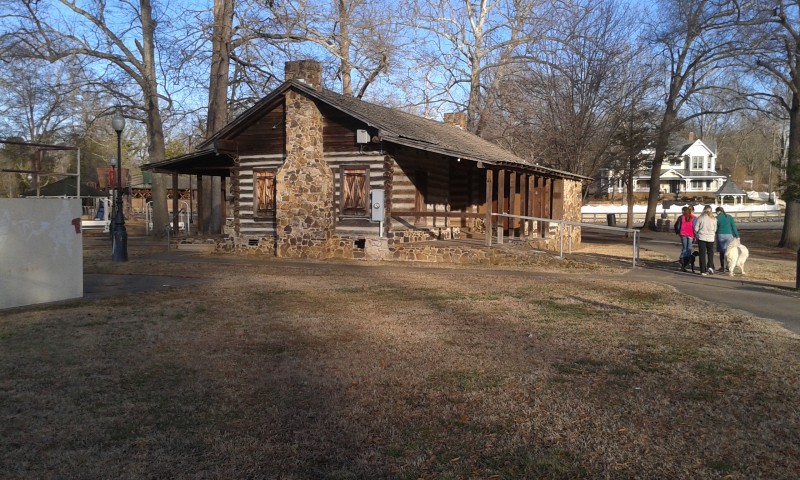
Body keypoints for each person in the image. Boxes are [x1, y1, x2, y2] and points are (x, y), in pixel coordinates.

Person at [694, 205, 717, 275]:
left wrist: (697, 234)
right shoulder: (714, 219)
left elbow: (696, 229)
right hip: (711, 238)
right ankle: (710, 266)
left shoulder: (700, 218)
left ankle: (703, 270)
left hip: (702, 237)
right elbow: (715, 229)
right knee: (710, 253)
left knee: (702, 254)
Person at [715, 206, 739, 272]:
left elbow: (715, 228)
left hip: (720, 235)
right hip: (729, 235)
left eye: (716, 212)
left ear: (718, 211)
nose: (716, 213)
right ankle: (728, 266)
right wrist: (737, 236)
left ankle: (722, 267)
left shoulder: (717, 218)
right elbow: (733, 227)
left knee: (722, 252)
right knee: (729, 251)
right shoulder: (729, 217)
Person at [674, 206, 696, 271]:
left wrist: (677, 232)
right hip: (691, 234)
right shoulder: (693, 217)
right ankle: (687, 261)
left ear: (683, 211)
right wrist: (695, 235)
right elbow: (695, 227)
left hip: (683, 233)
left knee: (684, 248)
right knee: (689, 248)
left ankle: (682, 259)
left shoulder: (681, 217)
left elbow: (677, 226)